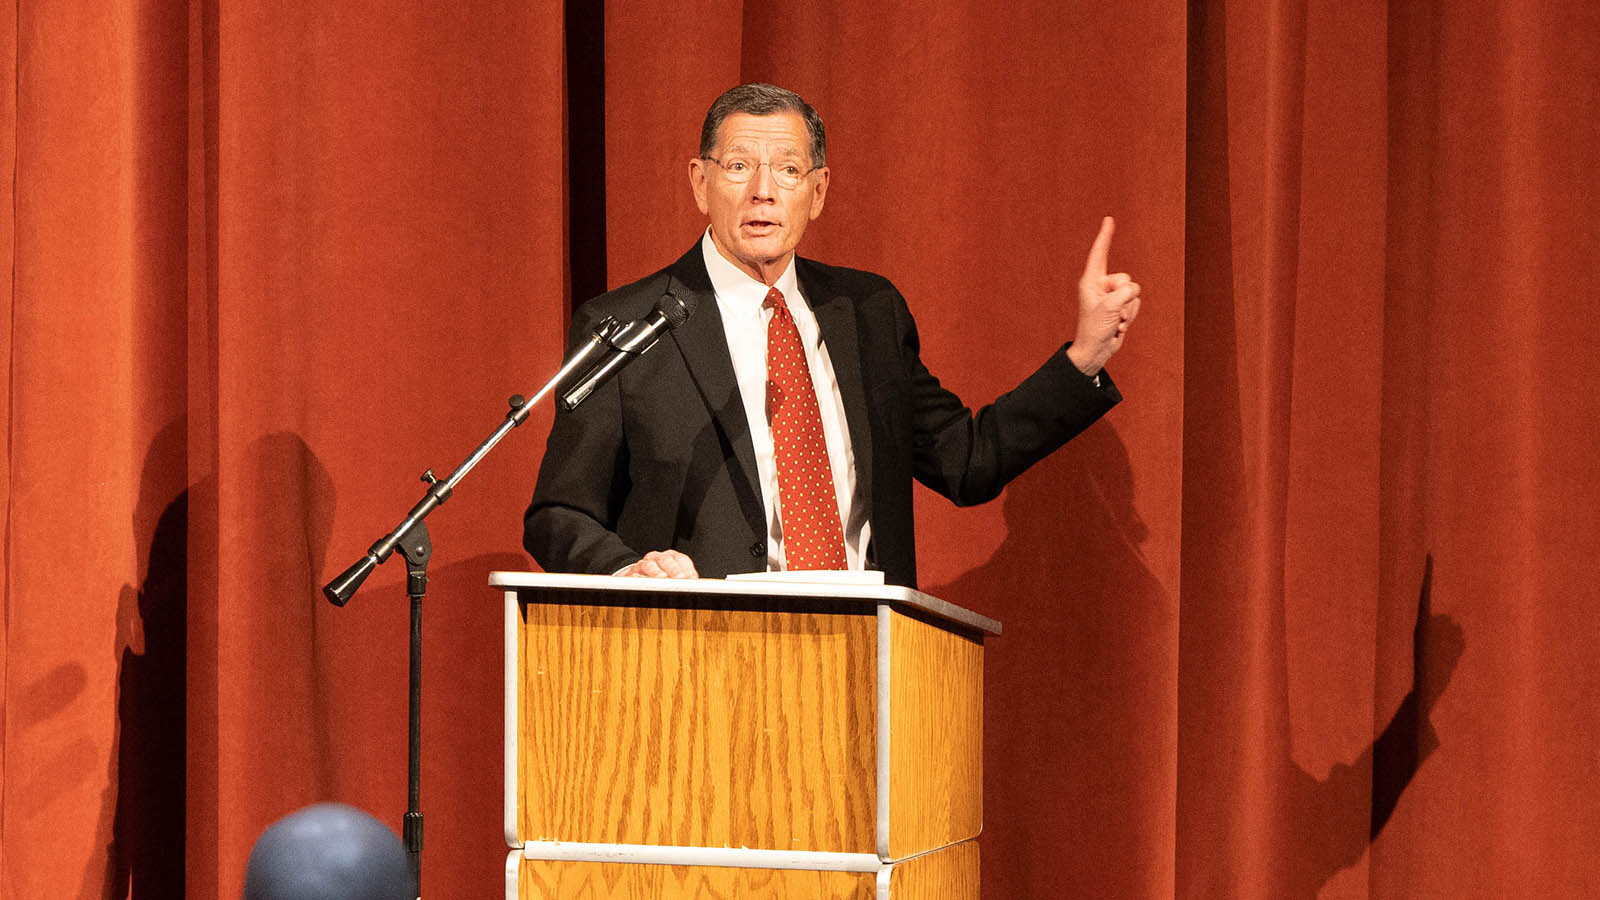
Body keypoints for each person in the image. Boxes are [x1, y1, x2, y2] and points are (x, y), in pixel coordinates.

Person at [524, 83, 1140, 588]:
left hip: (864, 655)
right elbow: (559, 513)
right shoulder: (630, 325)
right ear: (699, 182)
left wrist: (1083, 356)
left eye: (787, 170)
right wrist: (627, 568)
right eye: (738, 166)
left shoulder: (868, 312)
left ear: (817, 192)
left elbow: (966, 461)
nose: (762, 190)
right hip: (696, 660)